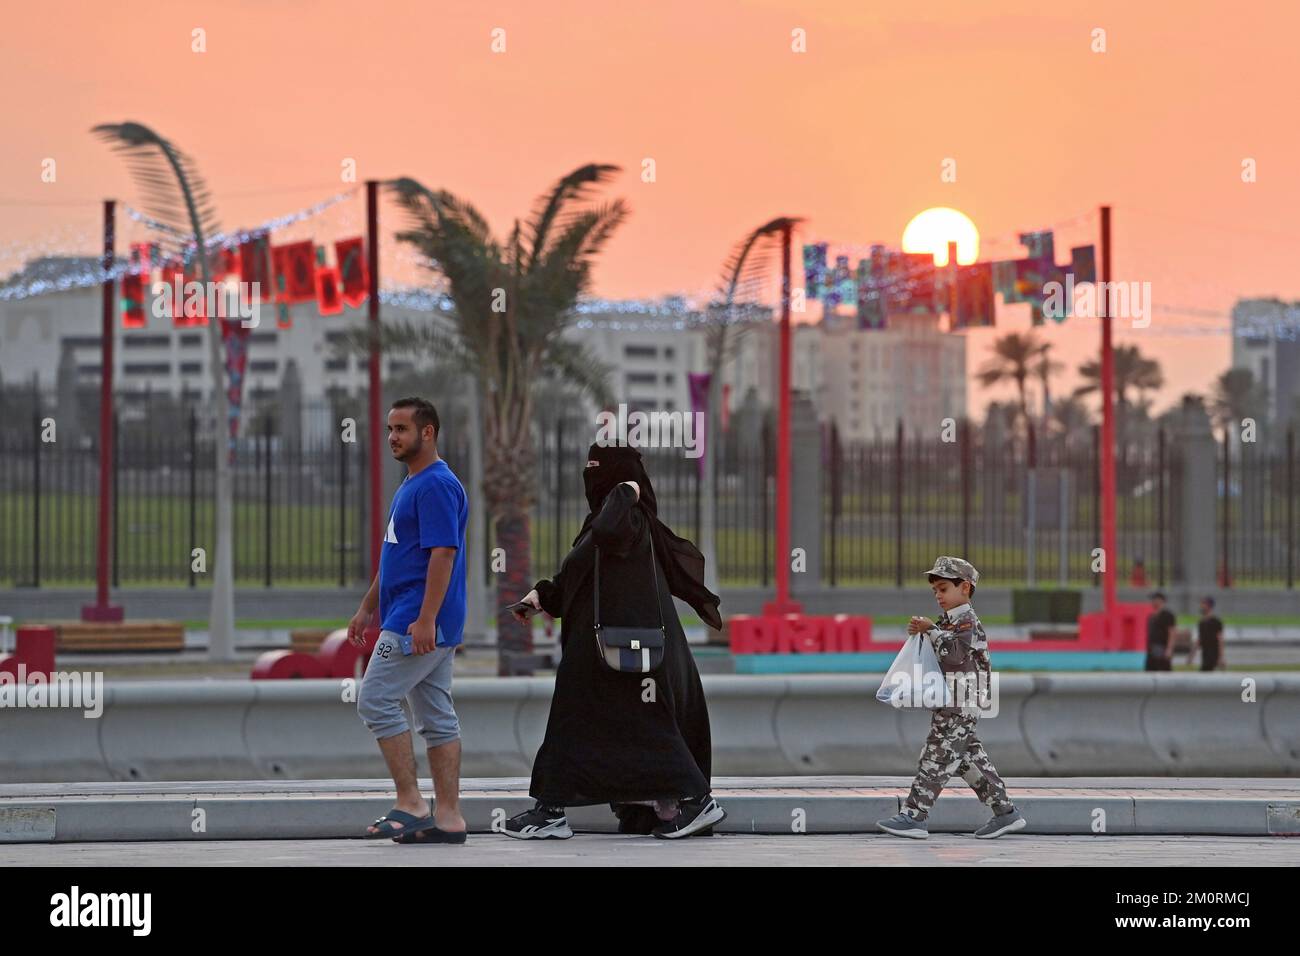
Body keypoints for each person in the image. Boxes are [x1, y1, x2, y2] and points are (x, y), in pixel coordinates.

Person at [502, 441, 726, 840]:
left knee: (621, 728)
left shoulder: (629, 520)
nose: (592, 477)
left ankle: (696, 800)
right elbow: (582, 575)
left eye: (599, 469)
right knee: (589, 729)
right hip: (607, 655)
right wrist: (542, 597)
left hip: (627, 655)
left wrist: (629, 489)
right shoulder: (608, 520)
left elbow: (608, 534)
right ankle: (553, 810)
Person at [349, 397, 469, 844]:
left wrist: (426, 619)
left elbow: (444, 554)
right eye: (390, 429)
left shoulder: (436, 485)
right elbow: (397, 556)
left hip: (418, 621)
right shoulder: (414, 483)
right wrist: (366, 606)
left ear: (428, 432)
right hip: (415, 616)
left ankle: (411, 803)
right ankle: (449, 818)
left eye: (402, 429)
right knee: (437, 715)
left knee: (374, 700)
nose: (393, 437)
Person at [877, 556, 1026, 840]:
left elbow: (955, 655)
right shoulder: (949, 621)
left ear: (965, 588)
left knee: (936, 755)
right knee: (968, 759)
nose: (938, 596)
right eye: (935, 590)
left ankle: (913, 816)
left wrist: (930, 631)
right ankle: (1006, 813)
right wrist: (925, 633)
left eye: (943, 589)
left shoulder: (967, 622)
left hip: (961, 702)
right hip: (957, 701)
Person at [1190, 596, 1225, 671]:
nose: (1201, 606)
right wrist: (1192, 655)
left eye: (1203, 604)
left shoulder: (1216, 621)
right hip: (1205, 654)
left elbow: (1220, 640)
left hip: (1213, 655)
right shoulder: (1201, 622)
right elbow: (1199, 639)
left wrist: (1221, 658)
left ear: (1209, 606)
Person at [1145, 591, 1176, 672]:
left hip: (1162, 648)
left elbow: (1172, 633)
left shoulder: (1167, 615)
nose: (1152, 602)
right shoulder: (1151, 616)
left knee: (1163, 671)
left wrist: (1169, 649)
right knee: (1150, 671)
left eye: (1154, 599)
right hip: (1151, 648)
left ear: (1160, 600)